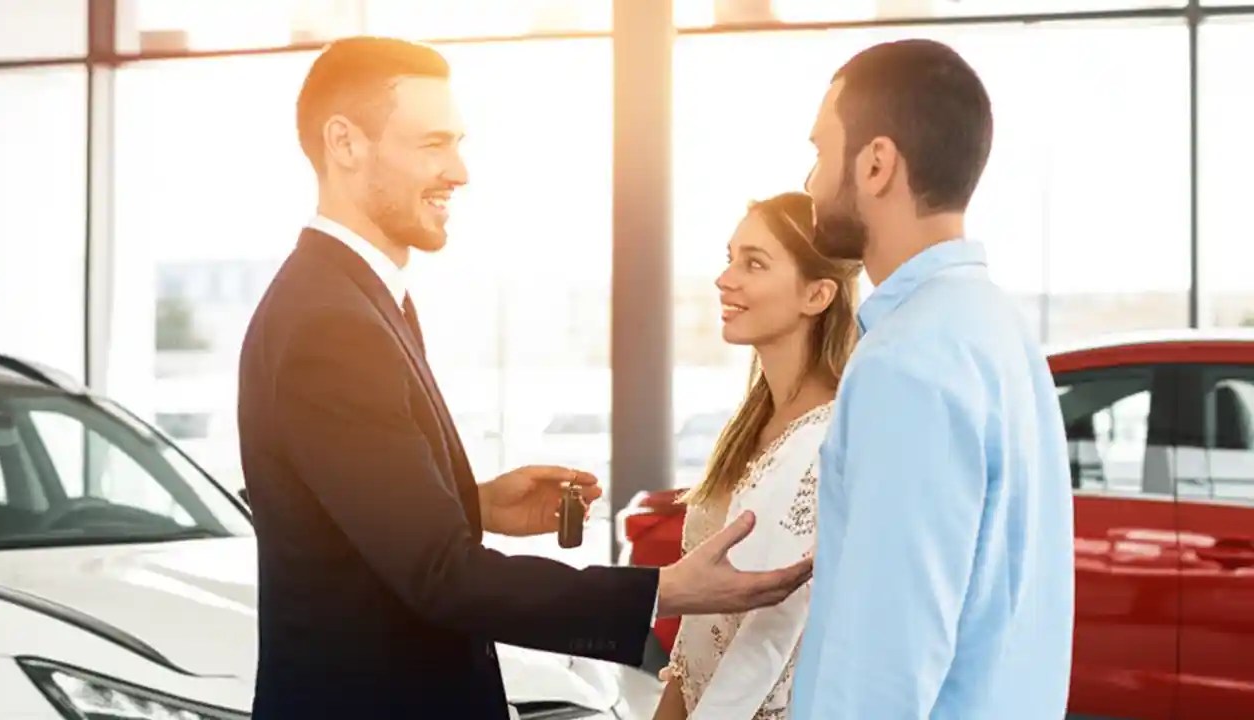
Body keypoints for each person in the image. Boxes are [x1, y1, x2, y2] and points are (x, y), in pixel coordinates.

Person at [236, 36, 813, 720]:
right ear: (345, 143)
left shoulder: (356, 299)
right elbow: (439, 576)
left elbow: (349, 518)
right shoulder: (332, 323)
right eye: (433, 144)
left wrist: (473, 503)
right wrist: (661, 590)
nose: (460, 170)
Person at [788, 39, 1075, 719]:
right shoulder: (997, 330)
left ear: (877, 163)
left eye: (822, 151)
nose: (809, 181)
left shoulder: (905, 362)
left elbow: (879, 673)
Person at [652, 192, 861, 720]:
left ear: (817, 294)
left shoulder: (832, 438)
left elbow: (769, 642)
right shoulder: (749, 425)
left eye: (754, 263)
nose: (726, 279)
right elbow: (697, 642)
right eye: (730, 258)